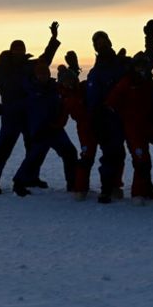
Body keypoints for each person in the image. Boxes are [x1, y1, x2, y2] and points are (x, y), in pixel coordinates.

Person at [0, 22, 60, 194]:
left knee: (33, 147)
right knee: (4, 148)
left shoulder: (29, 66)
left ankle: (30, 178)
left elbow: (46, 59)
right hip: (10, 115)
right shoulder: (2, 70)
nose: (19, 52)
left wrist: (53, 39)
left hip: (28, 115)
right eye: (16, 49)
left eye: (21, 50)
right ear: (11, 50)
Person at [86, 21, 153, 203]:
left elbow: (146, 62)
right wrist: (96, 118)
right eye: (98, 43)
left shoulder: (123, 64)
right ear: (95, 47)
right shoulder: (95, 73)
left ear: (110, 43)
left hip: (132, 117)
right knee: (113, 155)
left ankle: (143, 188)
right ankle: (108, 188)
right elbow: (93, 100)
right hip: (109, 120)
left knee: (140, 154)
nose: (102, 45)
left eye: (104, 42)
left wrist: (150, 40)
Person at [12, 61, 79, 196]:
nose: (43, 77)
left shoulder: (54, 88)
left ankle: (73, 184)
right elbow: (17, 106)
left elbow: (69, 82)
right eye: (40, 75)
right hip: (40, 130)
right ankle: (18, 183)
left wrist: (73, 68)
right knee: (34, 157)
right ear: (36, 76)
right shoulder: (30, 90)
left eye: (45, 74)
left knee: (70, 152)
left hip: (55, 129)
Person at [106, 52, 153, 201]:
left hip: (147, 126)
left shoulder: (148, 81)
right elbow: (111, 102)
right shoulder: (127, 81)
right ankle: (138, 193)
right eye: (138, 65)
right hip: (132, 128)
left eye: (143, 65)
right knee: (140, 160)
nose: (141, 68)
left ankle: (146, 189)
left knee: (146, 159)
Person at [56, 52, 98, 198]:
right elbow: (62, 117)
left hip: (99, 123)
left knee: (111, 155)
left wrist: (73, 68)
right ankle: (79, 188)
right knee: (86, 157)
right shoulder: (63, 97)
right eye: (65, 81)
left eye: (71, 80)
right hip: (84, 128)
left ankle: (110, 187)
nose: (69, 83)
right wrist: (55, 127)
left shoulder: (83, 88)